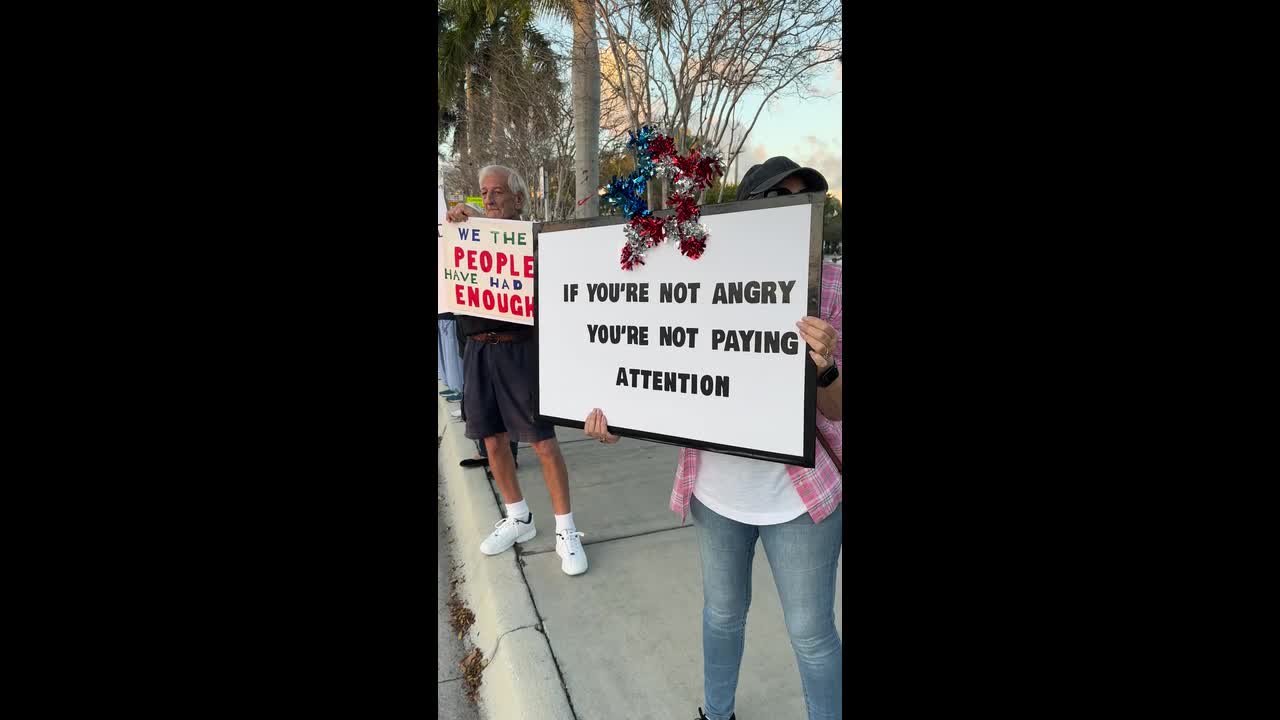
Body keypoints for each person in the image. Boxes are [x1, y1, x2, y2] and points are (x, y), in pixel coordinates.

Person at [584, 156, 842, 720]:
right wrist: (614, 418)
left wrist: (824, 366)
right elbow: (654, 361)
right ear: (746, 212)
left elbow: (839, 409)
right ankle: (714, 712)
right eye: (777, 199)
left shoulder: (832, 284)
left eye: (805, 198)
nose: (792, 209)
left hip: (800, 498)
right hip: (717, 493)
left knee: (811, 634)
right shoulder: (694, 273)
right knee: (722, 614)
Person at [447, 164, 587, 576]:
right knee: (491, 440)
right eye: (484, 193)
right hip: (477, 350)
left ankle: (566, 529)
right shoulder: (465, 234)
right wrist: (457, 221)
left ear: (518, 199)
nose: (489, 200)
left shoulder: (534, 239)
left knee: (542, 441)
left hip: (520, 351)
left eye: (498, 193)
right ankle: (518, 517)